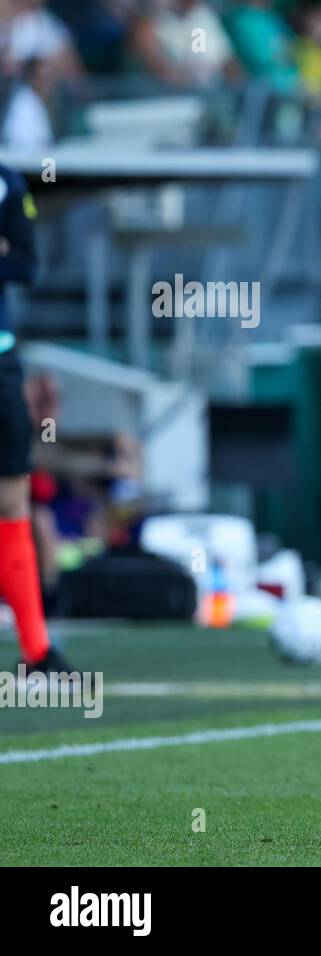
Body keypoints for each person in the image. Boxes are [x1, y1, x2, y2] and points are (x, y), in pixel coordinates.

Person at [0, 160, 71, 677]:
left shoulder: (7, 181)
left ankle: (36, 649)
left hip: (1, 361)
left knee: (11, 499)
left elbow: (25, 263)